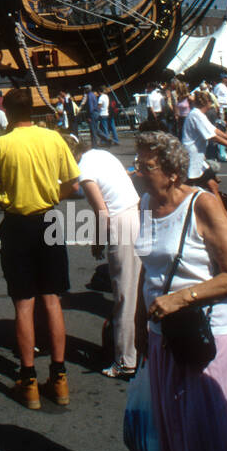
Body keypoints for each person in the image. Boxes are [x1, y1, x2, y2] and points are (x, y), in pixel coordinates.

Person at [133, 130, 227, 451]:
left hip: (208, 337)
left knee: (221, 435)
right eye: (137, 162)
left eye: (147, 165)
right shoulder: (145, 205)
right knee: (193, 437)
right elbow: (148, 269)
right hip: (165, 340)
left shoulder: (202, 204)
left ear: (173, 172)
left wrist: (180, 299)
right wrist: (138, 326)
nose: (138, 170)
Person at [0, 88, 80, 409]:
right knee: (52, 300)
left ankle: (28, 380)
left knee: (23, 303)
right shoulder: (53, 138)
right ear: (32, 109)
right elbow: (73, 184)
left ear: (6, 112)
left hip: (17, 223)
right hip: (49, 218)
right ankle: (60, 376)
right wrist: (51, 196)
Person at [77, 145, 140, 378]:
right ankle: (139, 352)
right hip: (137, 214)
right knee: (138, 291)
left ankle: (126, 360)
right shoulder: (102, 154)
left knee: (125, 295)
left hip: (121, 223)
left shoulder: (83, 169)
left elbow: (101, 211)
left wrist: (97, 241)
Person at [181, 90, 227, 197]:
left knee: (213, 185)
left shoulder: (199, 114)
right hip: (192, 157)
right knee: (188, 188)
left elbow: (215, 130)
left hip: (198, 158)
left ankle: (217, 209)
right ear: (207, 102)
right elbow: (212, 137)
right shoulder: (196, 115)